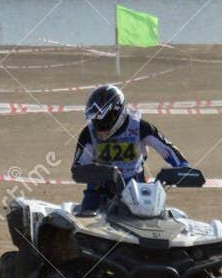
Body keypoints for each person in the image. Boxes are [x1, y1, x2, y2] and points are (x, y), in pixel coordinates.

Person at [71, 84, 192, 213]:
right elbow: (78, 167)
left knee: (156, 215)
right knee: (87, 212)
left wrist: (183, 166)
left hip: (136, 189)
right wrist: (97, 172)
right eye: (95, 121)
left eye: (104, 120)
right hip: (100, 191)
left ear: (118, 113)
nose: (99, 127)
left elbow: (167, 148)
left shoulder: (140, 127)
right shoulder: (88, 134)